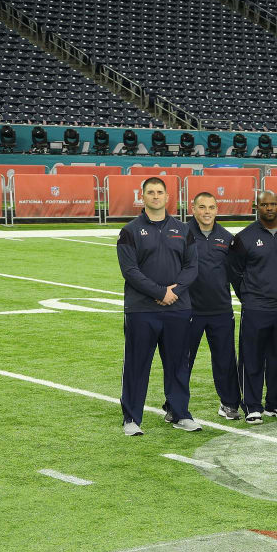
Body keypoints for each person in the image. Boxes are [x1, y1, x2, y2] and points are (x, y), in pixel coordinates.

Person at [117, 177, 199, 435]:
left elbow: (192, 266)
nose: (155, 196)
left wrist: (174, 292)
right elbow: (130, 270)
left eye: (159, 192)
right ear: (142, 197)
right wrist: (159, 292)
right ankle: (131, 418)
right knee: (137, 364)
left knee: (178, 364)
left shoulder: (184, 229)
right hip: (142, 309)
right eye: (150, 192)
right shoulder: (129, 231)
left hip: (177, 308)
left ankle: (179, 412)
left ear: (167, 197)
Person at [228, 190, 277, 424]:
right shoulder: (244, 237)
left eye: (273, 204)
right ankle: (252, 405)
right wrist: (247, 296)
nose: (269, 208)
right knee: (252, 357)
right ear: (256, 206)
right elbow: (234, 271)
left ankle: (274, 403)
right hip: (256, 308)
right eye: (264, 204)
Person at [179, 191, 240, 421]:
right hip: (188, 309)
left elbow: (235, 272)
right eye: (202, 207)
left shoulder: (226, 237)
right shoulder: (181, 233)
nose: (207, 212)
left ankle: (229, 404)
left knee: (225, 360)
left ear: (217, 210)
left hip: (221, 310)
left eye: (211, 207)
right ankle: (175, 404)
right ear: (193, 209)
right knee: (183, 360)